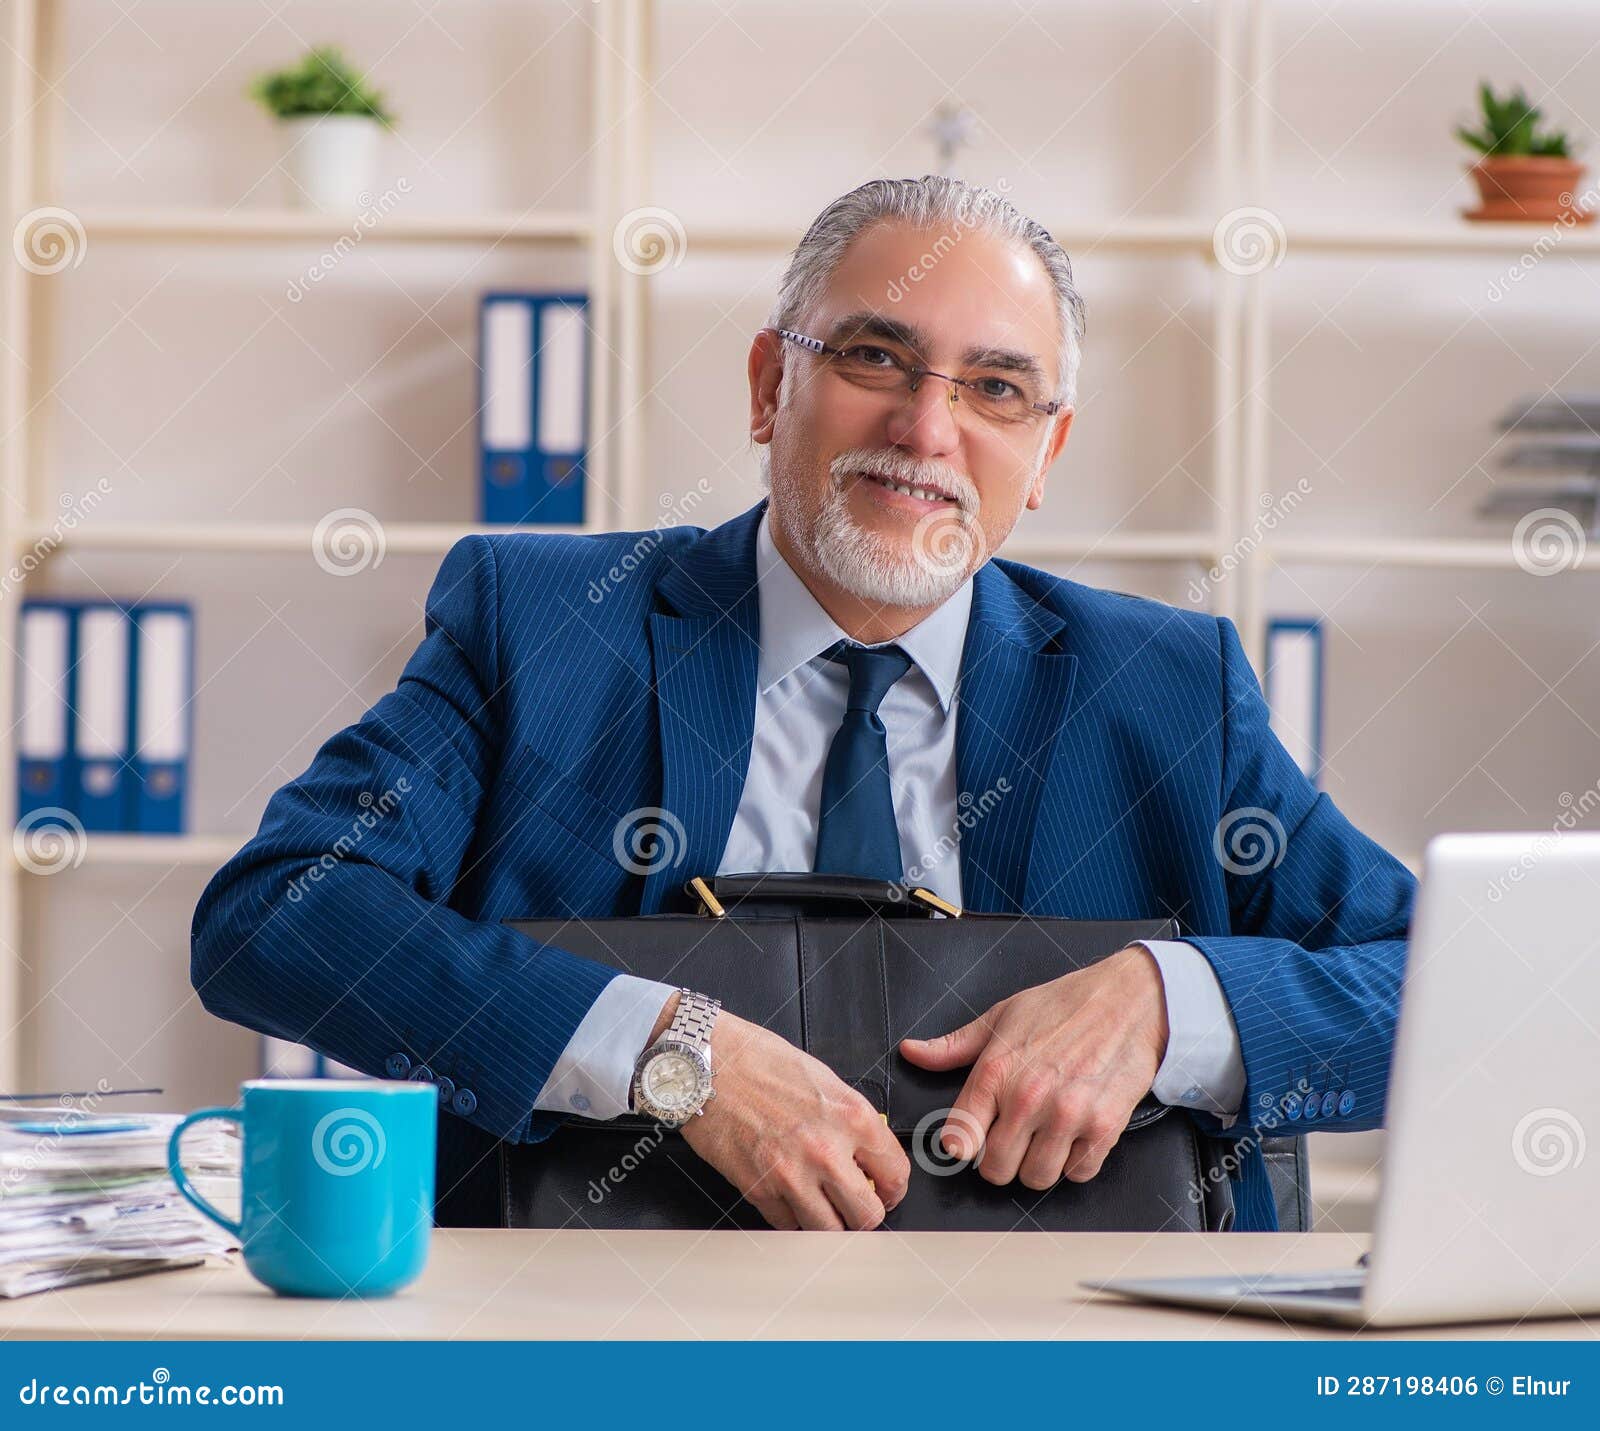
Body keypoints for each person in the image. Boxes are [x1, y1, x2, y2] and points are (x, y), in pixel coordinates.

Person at [192, 175, 1414, 1233]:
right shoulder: (544, 622)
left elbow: (1447, 982)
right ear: (772, 384)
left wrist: (1167, 1001)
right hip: (597, 1340)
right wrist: (668, 1055)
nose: (925, 429)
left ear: (1045, 455)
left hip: (1048, 1352)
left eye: (996, 389)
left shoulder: (1165, 687)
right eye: (875, 357)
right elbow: (276, 912)